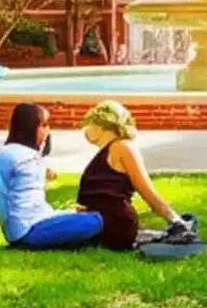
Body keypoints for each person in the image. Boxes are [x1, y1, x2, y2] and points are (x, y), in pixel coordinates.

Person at [0, 103, 104, 249]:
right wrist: (9, 226)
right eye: (44, 125)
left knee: (91, 215)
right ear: (29, 126)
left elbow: (39, 207)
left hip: (42, 220)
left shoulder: (34, 156)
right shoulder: (3, 156)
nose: (48, 130)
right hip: (25, 230)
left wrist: (68, 212)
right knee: (95, 220)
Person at [77, 100, 189, 250]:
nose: (85, 130)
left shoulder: (123, 148)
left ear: (101, 126)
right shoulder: (107, 152)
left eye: (88, 124)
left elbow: (146, 190)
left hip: (115, 224)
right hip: (98, 224)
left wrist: (175, 220)